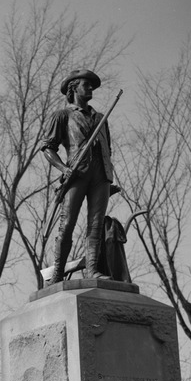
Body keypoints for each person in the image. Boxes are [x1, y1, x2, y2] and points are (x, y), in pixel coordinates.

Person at [41, 68, 117, 284]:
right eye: (86, 84)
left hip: (101, 175)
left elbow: (108, 150)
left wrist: (109, 180)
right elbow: (48, 147)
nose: (90, 88)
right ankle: (58, 272)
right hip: (77, 174)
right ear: (73, 88)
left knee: (96, 224)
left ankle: (92, 270)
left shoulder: (101, 118)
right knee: (67, 224)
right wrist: (63, 168)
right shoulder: (62, 116)